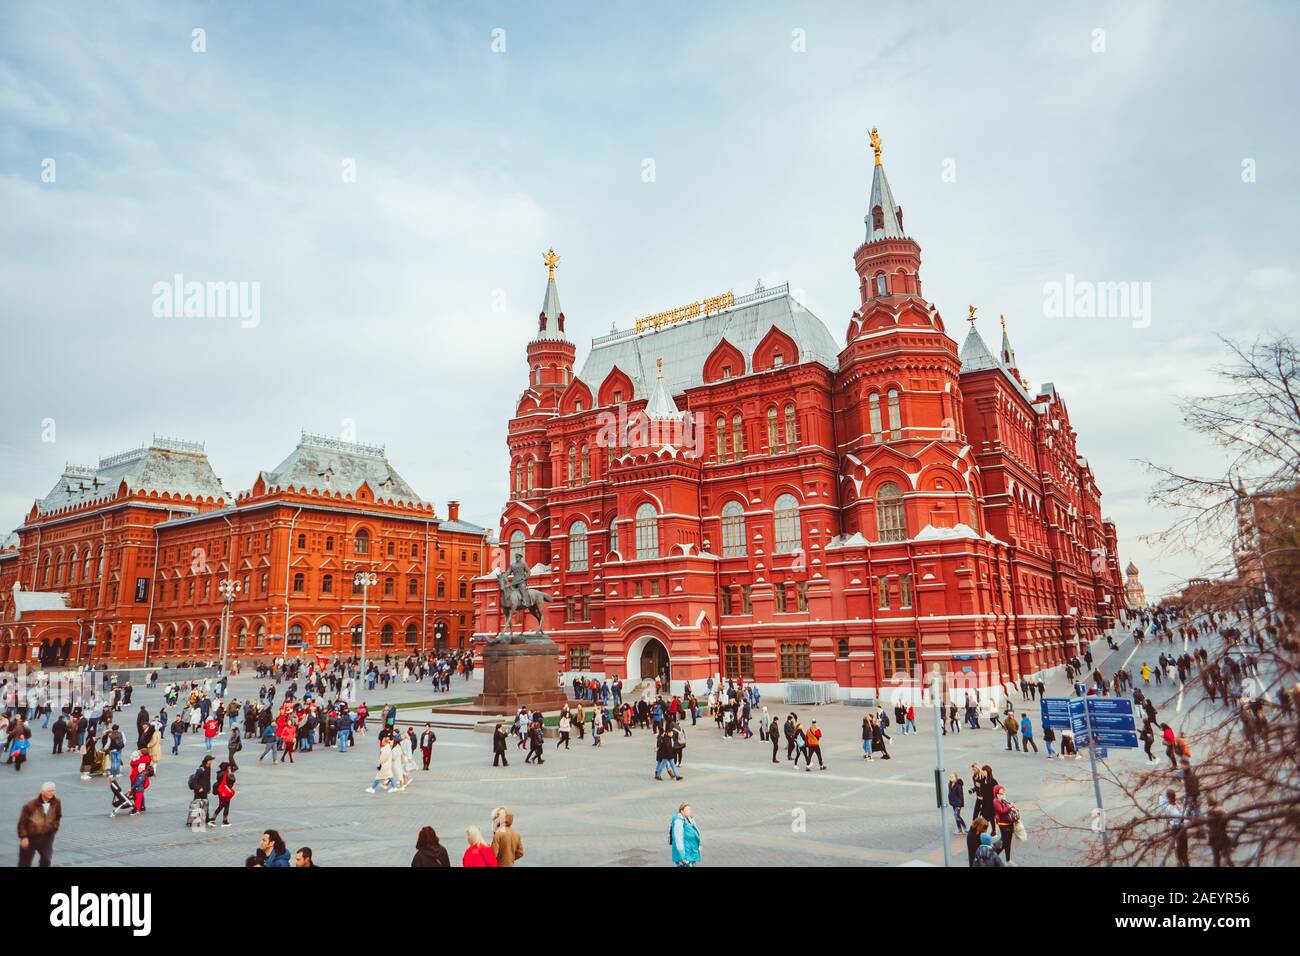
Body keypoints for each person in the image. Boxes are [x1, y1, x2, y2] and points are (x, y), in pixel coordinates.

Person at [16, 781, 61, 867]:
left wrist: (54, 827)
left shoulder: (57, 802)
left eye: (53, 791)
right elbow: (22, 823)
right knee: (24, 863)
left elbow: (58, 816)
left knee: (46, 860)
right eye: (49, 791)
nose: (52, 793)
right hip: (31, 837)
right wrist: (23, 837)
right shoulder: (30, 805)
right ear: (42, 792)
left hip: (47, 837)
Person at [669, 801, 701, 867]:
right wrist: (682, 856)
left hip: (690, 852)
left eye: (690, 809)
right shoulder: (679, 821)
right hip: (684, 854)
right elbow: (678, 839)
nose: (689, 811)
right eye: (687, 809)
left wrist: (697, 846)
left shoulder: (689, 819)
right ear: (682, 811)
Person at [991, 784, 1018, 863]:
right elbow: (1001, 811)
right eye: (1001, 789)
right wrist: (1009, 807)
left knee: (1007, 842)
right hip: (1003, 824)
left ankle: (1008, 859)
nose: (1003, 790)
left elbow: (1007, 809)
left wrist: (1012, 808)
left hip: (1009, 823)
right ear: (997, 791)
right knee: (1005, 843)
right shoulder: (996, 800)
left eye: (1003, 789)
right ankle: (992, 858)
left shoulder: (1003, 798)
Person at [212, 761, 236, 827]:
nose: (230, 768)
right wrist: (231, 773)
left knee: (223, 805)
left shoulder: (220, 773)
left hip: (221, 791)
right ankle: (215, 819)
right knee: (224, 805)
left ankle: (223, 820)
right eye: (229, 767)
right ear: (226, 768)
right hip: (226, 792)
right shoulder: (226, 774)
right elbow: (233, 780)